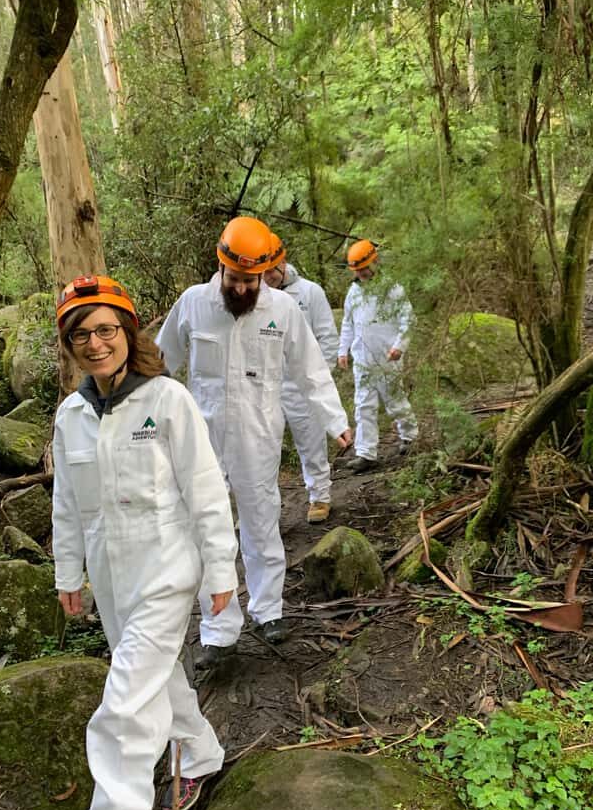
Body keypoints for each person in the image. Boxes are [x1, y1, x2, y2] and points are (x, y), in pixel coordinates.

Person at [52, 275, 238, 810]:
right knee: (155, 675)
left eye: (106, 329)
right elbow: (67, 505)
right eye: (81, 334)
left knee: (125, 708)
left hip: (165, 569)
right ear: (71, 344)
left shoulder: (167, 400)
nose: (95, 343)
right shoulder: (70, 416)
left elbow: (206, 491)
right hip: (111, 575)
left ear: (128, 332)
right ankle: (201, 755)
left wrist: (220, 570)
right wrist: (67, 574)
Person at [156, 216, 352, 665]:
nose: (243, 289)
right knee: (207, 529)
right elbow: (161, 363)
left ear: (265, 272)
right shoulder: (193, 304)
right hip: (201, 438)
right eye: (235, 279)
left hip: (259, 435)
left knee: (262, 523)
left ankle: (269, 610)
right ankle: (217, 631)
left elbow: (311, 370)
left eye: (252, 280)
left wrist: (334, 420)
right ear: (220, 266)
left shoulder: (282, 310)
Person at [264, 232, 339, 524]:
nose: (268, 276)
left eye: (273, 269)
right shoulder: (255, 296)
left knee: (311, 442)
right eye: (263, 271)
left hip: (302, 384)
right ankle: (262, 508)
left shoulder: (310, 293)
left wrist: (319, 380)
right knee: (263, 448)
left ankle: (320, 495)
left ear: (283, 263)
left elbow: (327, 338)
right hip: (267, 385)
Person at [338, 240, 418, 473]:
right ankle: (366, 453)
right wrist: (343, 351)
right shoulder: (353, 292)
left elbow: (408, 319)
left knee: (395, 400)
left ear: (375, 261)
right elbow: (348, 323)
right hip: (362, 359)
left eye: (365, 267)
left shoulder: (392, 288)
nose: (362, 273)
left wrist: (399, 346)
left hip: (388, 357)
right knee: (363, 405)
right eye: (357, 270)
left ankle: (410, 437)